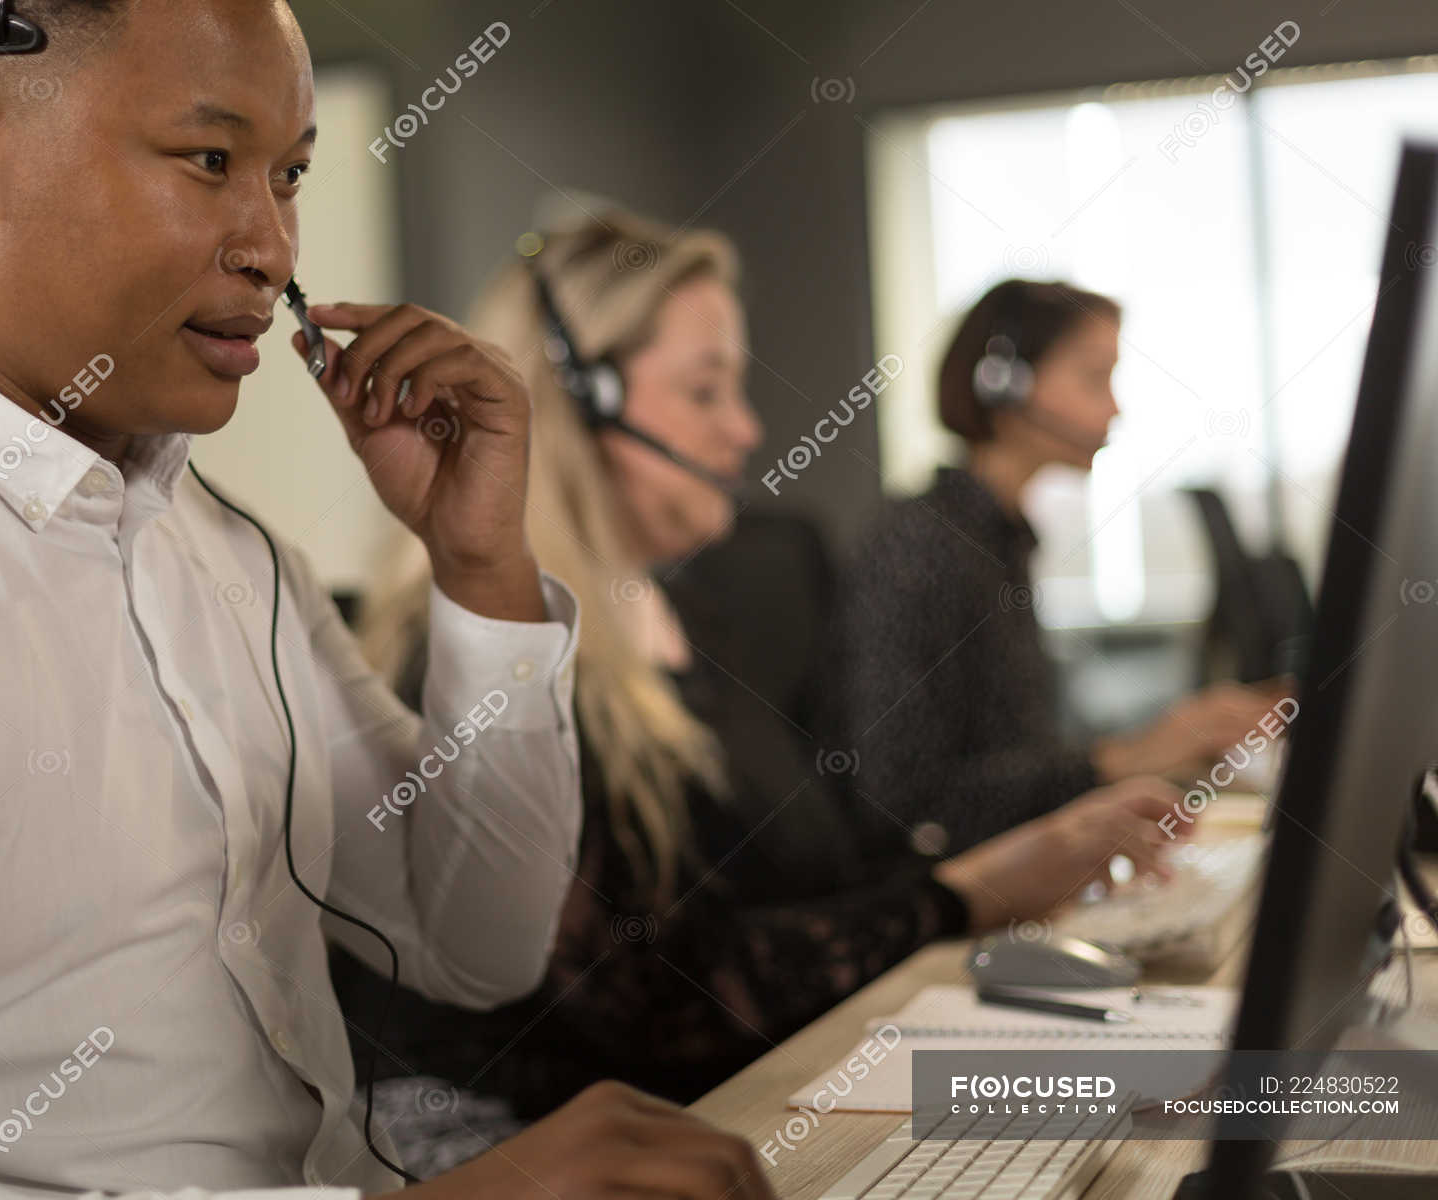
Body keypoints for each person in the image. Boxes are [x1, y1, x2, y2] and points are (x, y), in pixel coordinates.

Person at [0, 4, 783, 1199]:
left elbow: (477, 940)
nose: (274, 249)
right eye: (209, 161)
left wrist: (479, 567)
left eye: (287, 175)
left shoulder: (231, 552)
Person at [328, 214, 1184, 1177]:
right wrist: (965, 896)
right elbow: (657, 1000)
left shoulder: (684, 615)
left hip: (737, 1100)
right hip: (529, 1157)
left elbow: (811, 876)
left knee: (1171, 1103)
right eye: (706, 390)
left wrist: (1022, 861)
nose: (745, 428)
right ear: (583, 398)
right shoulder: (474, 657)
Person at [836, 278, 1290, 858]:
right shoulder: (919, 546)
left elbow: (1019, 753)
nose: (1116, 407)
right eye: (1094, 377)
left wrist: (1163, 745)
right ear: (1002, 385)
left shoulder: (1001, 538)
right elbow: (906, 805)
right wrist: (1124, 759)